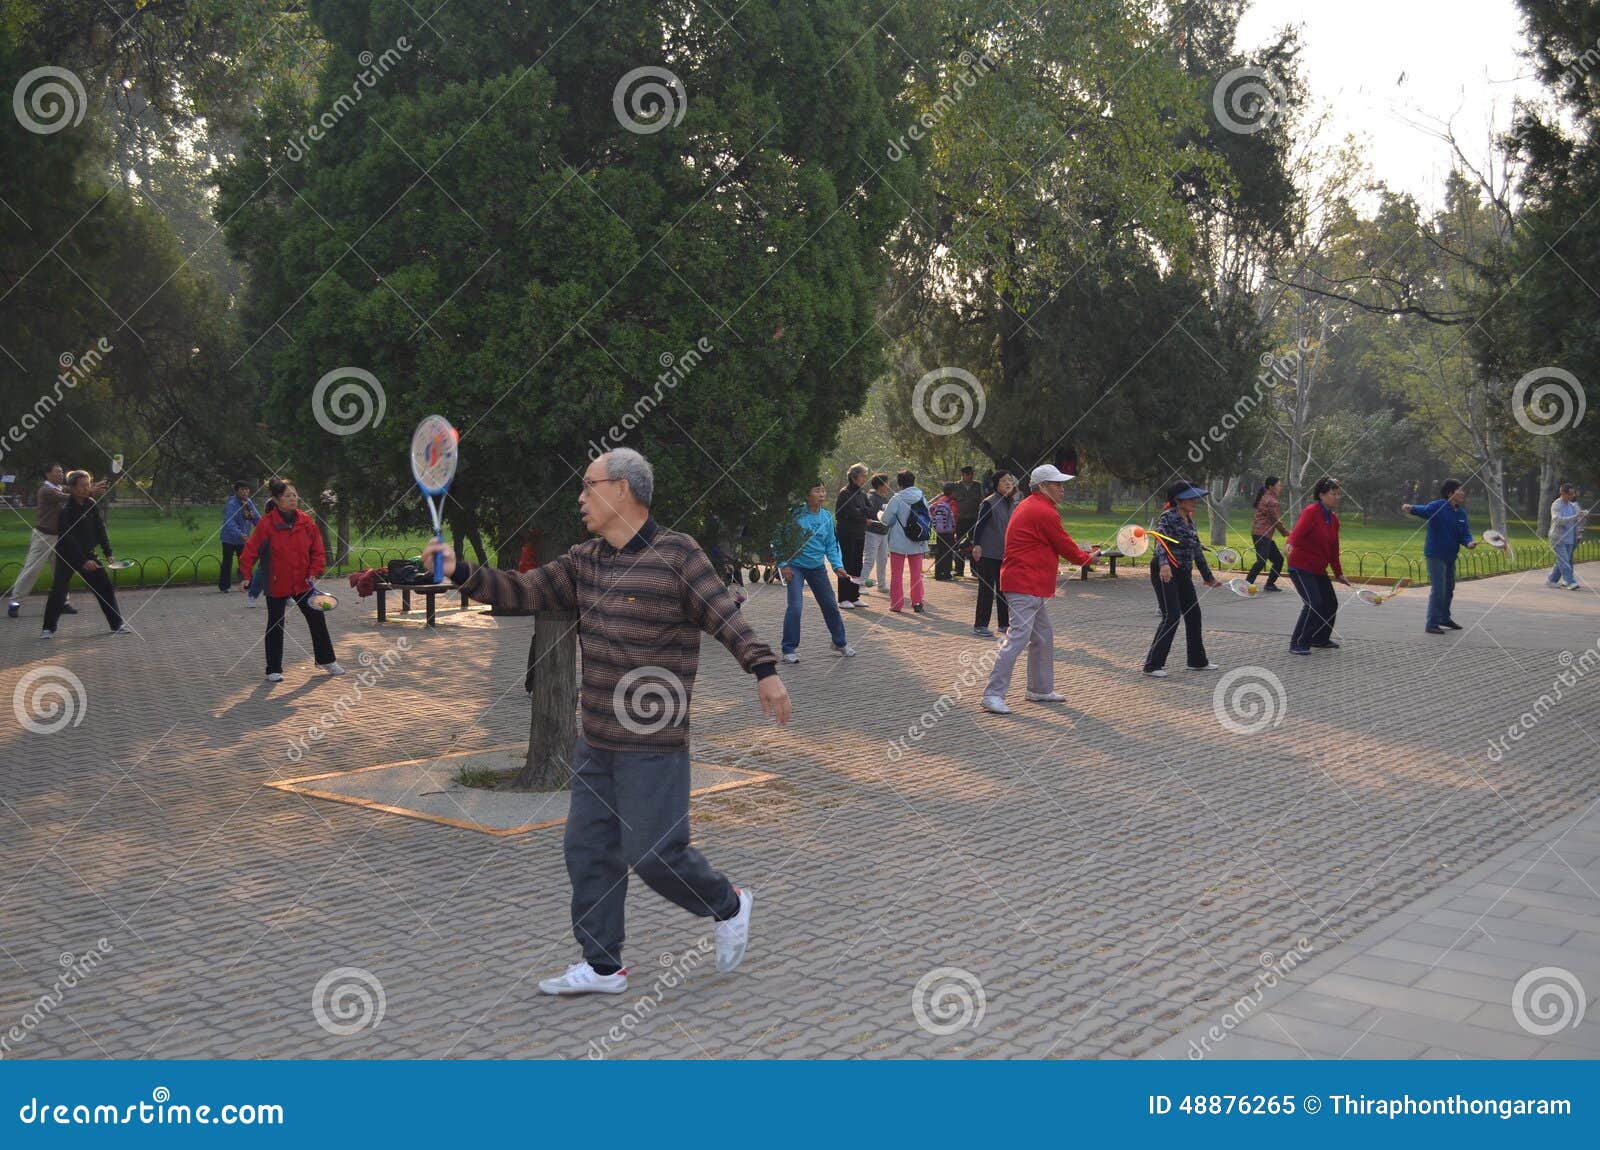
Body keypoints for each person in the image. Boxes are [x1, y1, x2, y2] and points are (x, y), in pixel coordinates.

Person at [421, 447, 790, 996]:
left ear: (623, 489)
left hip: (654, 738)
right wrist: (464, 573)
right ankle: (601, 965)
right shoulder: (584, 560)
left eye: (588, 485)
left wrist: (763, 669)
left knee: (653, 852)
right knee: (589, 849)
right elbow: (527, 590)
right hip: (594, 738)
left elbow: (723, 614)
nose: (580, 496)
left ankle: (728, 903)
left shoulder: (677, 554)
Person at [980, 465, 1099, 714]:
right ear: (1042, 486)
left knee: (1043, 637)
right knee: (1017, 639)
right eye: (1057, 484)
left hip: (1029, 583)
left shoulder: (1033, 506)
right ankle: (993, 694)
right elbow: (1065, 546)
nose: (1062, 488)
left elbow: (1059, 543)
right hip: (1024, 583)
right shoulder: (1043, 511)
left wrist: (1084, 555)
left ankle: (1040, 689)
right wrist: (1087, 558)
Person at [238, 480, 345, 681]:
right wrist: (246, 576)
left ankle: (327, 660)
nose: (293, 498)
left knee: (317, 618)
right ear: (277, 500)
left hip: (303, 582)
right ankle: (273, 669)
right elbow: (250, 550)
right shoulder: (266, 524)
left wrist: (314, 570)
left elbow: (318, 551)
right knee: (276, 623)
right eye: (287, 495)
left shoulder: (306, 522)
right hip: (276, 581)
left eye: (295, 495)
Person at [1142, 482, 1223, 677]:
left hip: (1183, 572)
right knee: (1172, 616)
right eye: (1190, 498)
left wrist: (1208, 578)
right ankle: (1152, 665)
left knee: (1193, 614)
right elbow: (1160, 541)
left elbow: (1196, 550)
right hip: (1166, 571)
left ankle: (1197, 661)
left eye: (1196, 497)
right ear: (1178, 500)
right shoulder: (1168, 517)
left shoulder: (1189, 520)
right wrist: (1163, 564)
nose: (1195, 501)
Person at [41, 471, 131, 637]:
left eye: (88, 484)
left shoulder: (91, 504)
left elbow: (100, 529)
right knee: (59, 591)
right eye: (82, 485)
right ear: (72, 488)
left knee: (105, 588)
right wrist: (83, 561)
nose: (86, 488)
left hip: (88, 554)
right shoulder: (66, 509)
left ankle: (117, 625)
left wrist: (108, 552)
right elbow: (68, 538)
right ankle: (48, 629)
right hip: (67, 556)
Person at [775, 481, 856, 661]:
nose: (821, 494)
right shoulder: (793, 515)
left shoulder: (826, 516)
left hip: (817, 568)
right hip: (795, 566)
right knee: (795, 607)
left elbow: (831, 545)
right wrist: (783, 564)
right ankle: (788, 649)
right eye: (817, 490)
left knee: (830, 605)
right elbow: (778, 539)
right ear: (806, 495)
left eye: (823, 490)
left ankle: (839, 642)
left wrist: (837, 566)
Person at [7, 462, 92, 618]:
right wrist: (89, 490)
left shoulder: (58, 488)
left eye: (61, 472)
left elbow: (72, 490)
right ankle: (14, 602)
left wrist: (87, 487)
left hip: (59, 537)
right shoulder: (46, 490)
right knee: (32, 570)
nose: (61, 474)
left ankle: (62, 603)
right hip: (44, 536)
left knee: (61, 571)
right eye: (57, 472)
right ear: (48, 474)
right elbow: (70, 496)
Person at [1286, 477, 1353, 655]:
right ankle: (1298, 643)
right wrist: (1290, 543)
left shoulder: (1333, 519)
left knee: (1330, 602)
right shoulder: (1311, 512)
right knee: (1313, 603)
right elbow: (1297, 533)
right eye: (1333, 494)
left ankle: (1320, 639)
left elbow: (1333, 548)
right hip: (1300, 566)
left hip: (1317, 569)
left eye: (1339, 494)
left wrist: (1338, 573)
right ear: (1322, 495)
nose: (1337, 497)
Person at [1402, 479, 1477, 635]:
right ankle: (1432, 623)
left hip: (1451, 556)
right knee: (1439, 589)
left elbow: (1465, 533)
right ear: (1450, 493)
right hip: (1435, 555)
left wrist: (1469, 542)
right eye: (1460, 490)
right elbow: (1424, 510)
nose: (1463, 493)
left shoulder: (1461, 512)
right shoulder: (1438, 506)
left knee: (1449, 588)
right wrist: (1411, 508)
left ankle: (1444, 618)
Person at [970, 471, 1017, 638]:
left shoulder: (1012, 502)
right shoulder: (989, 502)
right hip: (988, 552)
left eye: (1010, 480)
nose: (1008, 483)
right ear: (997, 483)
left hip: (1005, 554)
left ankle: (1004, 625)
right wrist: (976, 545)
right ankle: (980, 625)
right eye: (1004, 480)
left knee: (1004, 589)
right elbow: (979, 525)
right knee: (987, 590)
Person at [881, 470, 930, 614]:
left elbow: (885, 520)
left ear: (899, 483)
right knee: (916, 574)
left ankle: (896, 604)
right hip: (917, 541)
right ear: (913, 482)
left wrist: (880, 513)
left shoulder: (897, 498)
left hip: (898, 541)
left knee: (897, 574)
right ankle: (917, 603)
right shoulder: (922, 497)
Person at [833, 464, 872, 610]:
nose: (864, 479)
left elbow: (871, 511)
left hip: (859, 533)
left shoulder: (862, 494)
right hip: (846, 534)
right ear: (854, 476)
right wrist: (861, 512)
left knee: (857, 565)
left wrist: (860, 510)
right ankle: (843, 598)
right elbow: (851, 513)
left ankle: (854, 596)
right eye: (862, 475)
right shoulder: (845, 493)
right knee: (846, 565)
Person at [1245, 476, 1289, 591]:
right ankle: (1246, 584)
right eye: (1278, 485)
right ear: (1271, 487)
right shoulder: (1271, 501)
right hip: (1262, 534)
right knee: (1262, 561)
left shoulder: (1266, 497)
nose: (1280, 487)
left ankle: (1269, 584)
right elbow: (1276, 520)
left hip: (1262, 534)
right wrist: (1286, 533)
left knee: (1278, 559)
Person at [220, 481, 260, 593]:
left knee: (245, 561)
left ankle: (246, 584)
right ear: (236, 491)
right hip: (229, 538)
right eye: (242, 489)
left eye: (247, 489)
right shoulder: (232, 503)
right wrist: (239, 534)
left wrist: (264, 528)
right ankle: (224, 586)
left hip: (243, 539)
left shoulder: (248, 502)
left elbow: (256, 517)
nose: (245, 491)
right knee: (227, 562)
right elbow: (229, 521)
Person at [1547, 483, 1587, 590]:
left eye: (1573, 494)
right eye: (1569, 494)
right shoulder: (1556, 505)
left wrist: (1583, 516)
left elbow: (1578, 521)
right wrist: (1575, 516)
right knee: (1564, 560)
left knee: (1564, 560)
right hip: (1558, 538)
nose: (1572, 496)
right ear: (1562, 493)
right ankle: (1570, 582)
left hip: (1570, 539)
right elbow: (1558, 520)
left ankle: (1551, 580)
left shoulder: (1573, 506)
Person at [953, 464, 984, 573]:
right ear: (963, 475)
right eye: (967, 475)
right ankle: (958, 569)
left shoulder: (977, 485)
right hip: (960, 519)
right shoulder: (956, 486)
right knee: (958, 543)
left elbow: (982, 500)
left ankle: (974, 570)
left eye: (971, 474)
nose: (970, 477)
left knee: (973, 543)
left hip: (974, 518)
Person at [861, 473, 890, 590]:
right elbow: (867, 514)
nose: (888, 486)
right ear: (880, 485)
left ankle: (882, 585)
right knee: (869, 560)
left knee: (883, 560)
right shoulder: (870, 497)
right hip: (871, 533)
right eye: (887, 483)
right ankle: (860, 586)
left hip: (883, 533)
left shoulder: (885, 498)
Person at [931, 483, 962, 580]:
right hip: (949, 532)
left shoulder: (939, 501)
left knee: (939, 552)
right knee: (948, 552)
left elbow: (932, 511)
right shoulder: (952, 502)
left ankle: (938, 574)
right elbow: (955, 516)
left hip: (938, 531)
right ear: (952, 492)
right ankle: (947, 574)